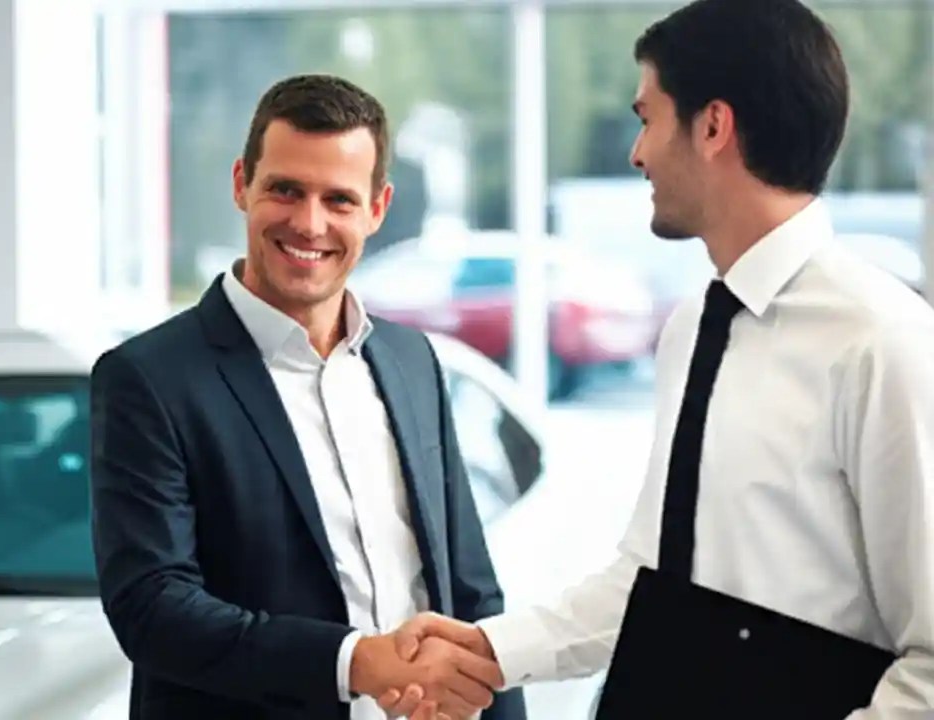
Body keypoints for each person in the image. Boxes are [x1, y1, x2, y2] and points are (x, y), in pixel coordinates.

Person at [381, 0, 934, 718]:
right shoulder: (696, 329)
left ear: (712, 126)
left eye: (647, 118)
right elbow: (654, 581)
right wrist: (487, 651)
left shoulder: (884, 341)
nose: (636, 153)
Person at [90, 74, 527, 720]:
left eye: (339, 199)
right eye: (286, 190)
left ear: (377, 209)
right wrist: (354, 662)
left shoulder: (412, 362)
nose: (309, 223)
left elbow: (472, 593)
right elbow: (153, 609)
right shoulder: (148, 379)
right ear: (243, 183)